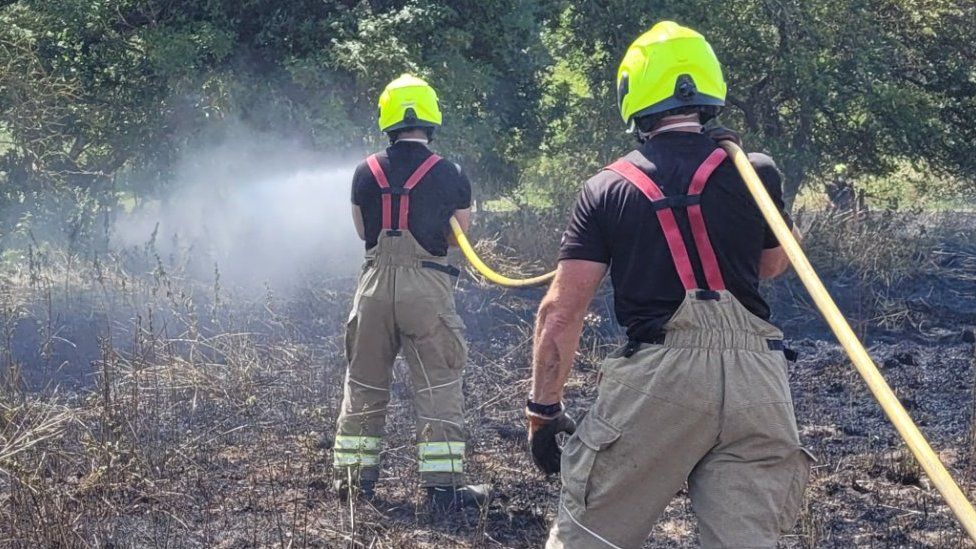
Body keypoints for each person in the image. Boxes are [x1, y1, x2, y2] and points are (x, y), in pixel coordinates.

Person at [526, 22, 814, 548]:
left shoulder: (606, 187)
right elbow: (774, 265)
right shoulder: (756, 171)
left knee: (590, 536)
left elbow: (561, 315)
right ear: (709, 88)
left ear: (634, 94)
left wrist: (543, 409)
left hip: (661, 379)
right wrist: (748, 176)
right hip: (759, 384)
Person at [333, 73, 490, 513]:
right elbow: (461, 232)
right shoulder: (451, 173)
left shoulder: (365, 171)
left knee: (364, 383)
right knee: (438, 385)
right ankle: (442, 488)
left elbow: (363, 230)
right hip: (427, 286)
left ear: (387, 119)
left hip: (374, 287)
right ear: (431, 118)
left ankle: (352, 484)